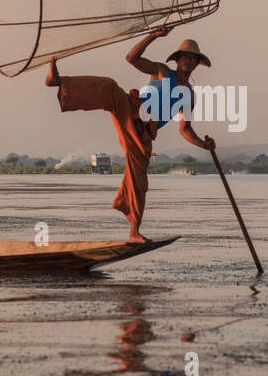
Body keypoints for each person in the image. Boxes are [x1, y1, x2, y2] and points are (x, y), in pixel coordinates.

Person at [46, 25, 215, 242]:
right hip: (131, 110)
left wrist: (204, 145)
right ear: (178, 59)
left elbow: (185, 129)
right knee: (109, 86)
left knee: (139, 182)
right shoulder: (162, 71)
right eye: (185, 57)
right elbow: (131, 58)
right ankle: (59, 82)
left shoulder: (189, 95)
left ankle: (134, 232)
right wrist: (153, 36)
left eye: (193, 58)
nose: (189, 62)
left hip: (143, 134)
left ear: (196, 63)